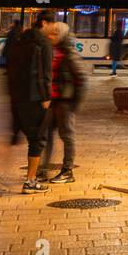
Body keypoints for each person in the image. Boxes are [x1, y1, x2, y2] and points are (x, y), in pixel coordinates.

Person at [6, 10, 57, 194]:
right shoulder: (43, 43)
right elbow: (44, 72)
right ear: (44, 23)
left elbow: (10, 67)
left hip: (18, 96)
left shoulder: (20, 40)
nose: (54, 28)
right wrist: (46, 97)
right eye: (52, 24)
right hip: (35, 98)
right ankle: (30, 180)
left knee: (32, 137)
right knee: (38, 138)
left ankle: (31, 178)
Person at [40, 20, 85, 184]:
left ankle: (67, 171)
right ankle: (42, 169)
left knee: (67, 135)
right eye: (50, 33)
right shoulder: (51, 50)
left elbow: (81, 78)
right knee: (44, 135)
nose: (51, 36)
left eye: (55, 34)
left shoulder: (69, 53)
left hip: (65, 102)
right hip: (52, 101)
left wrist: (75, 104)